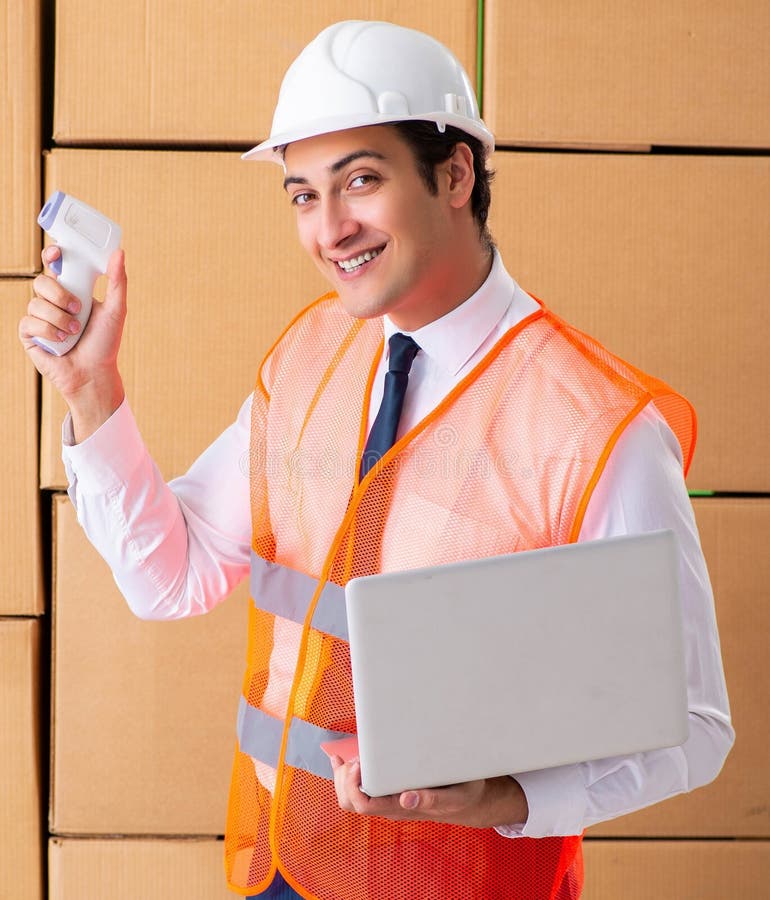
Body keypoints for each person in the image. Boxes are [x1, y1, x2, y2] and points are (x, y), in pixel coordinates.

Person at [20, 20, 733, 900]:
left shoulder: (595, 426)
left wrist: (505, 797)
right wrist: (91, 390)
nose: (330, 229)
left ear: (456, 174)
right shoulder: (310, 359)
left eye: (361, 180)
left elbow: (697, 726)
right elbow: (170, 579)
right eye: (302, 195)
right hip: (286, 873)